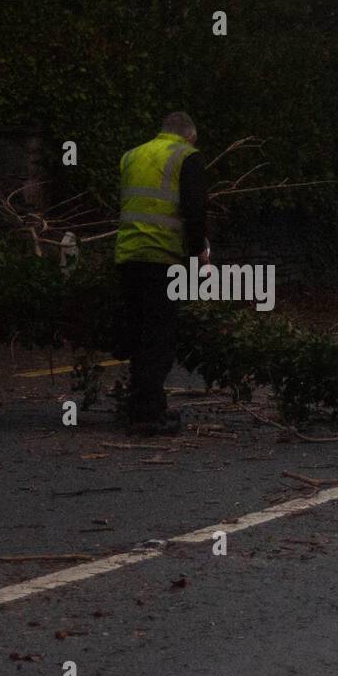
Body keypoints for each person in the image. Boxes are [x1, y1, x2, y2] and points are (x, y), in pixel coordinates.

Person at [113, 111, 208, 436]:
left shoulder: (131, 156)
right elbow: (194, 211)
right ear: (188, 135)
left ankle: (141, 409)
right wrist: (200, 252)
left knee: (139, 336)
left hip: (128, 255)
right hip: (162, 258)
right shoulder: (188, 157)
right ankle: (149, 417)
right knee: (159, 339)